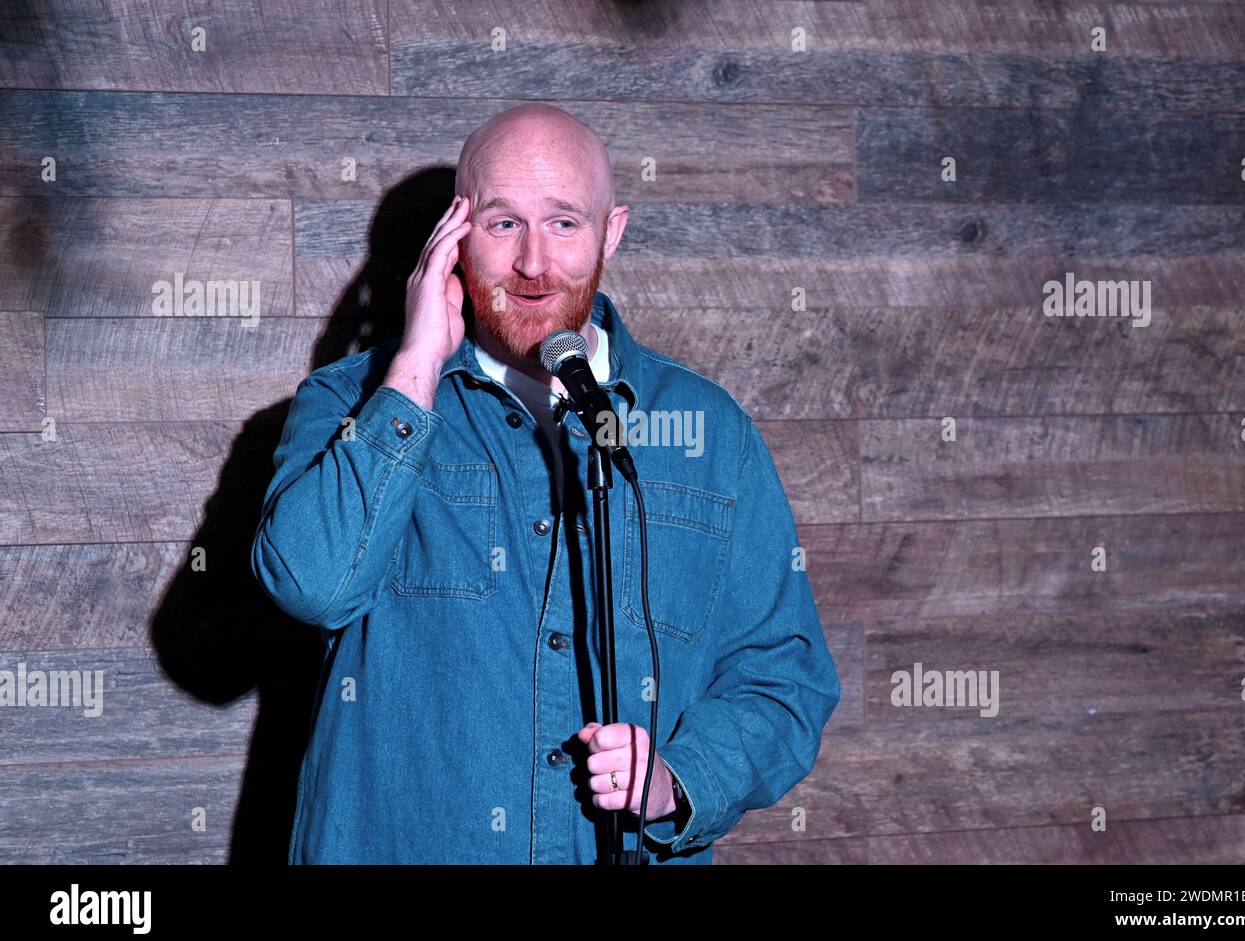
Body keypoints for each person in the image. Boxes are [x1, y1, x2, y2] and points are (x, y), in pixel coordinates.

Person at [250, 103, 841, 864]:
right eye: (503, 225)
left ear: (612, 231)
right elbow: (313, 586)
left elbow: (784, 677)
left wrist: (676, 780)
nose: (534, 263)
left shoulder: (710, 433)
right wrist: (416, 368)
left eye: (564, 223)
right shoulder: (351, 402)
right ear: (454, 236)